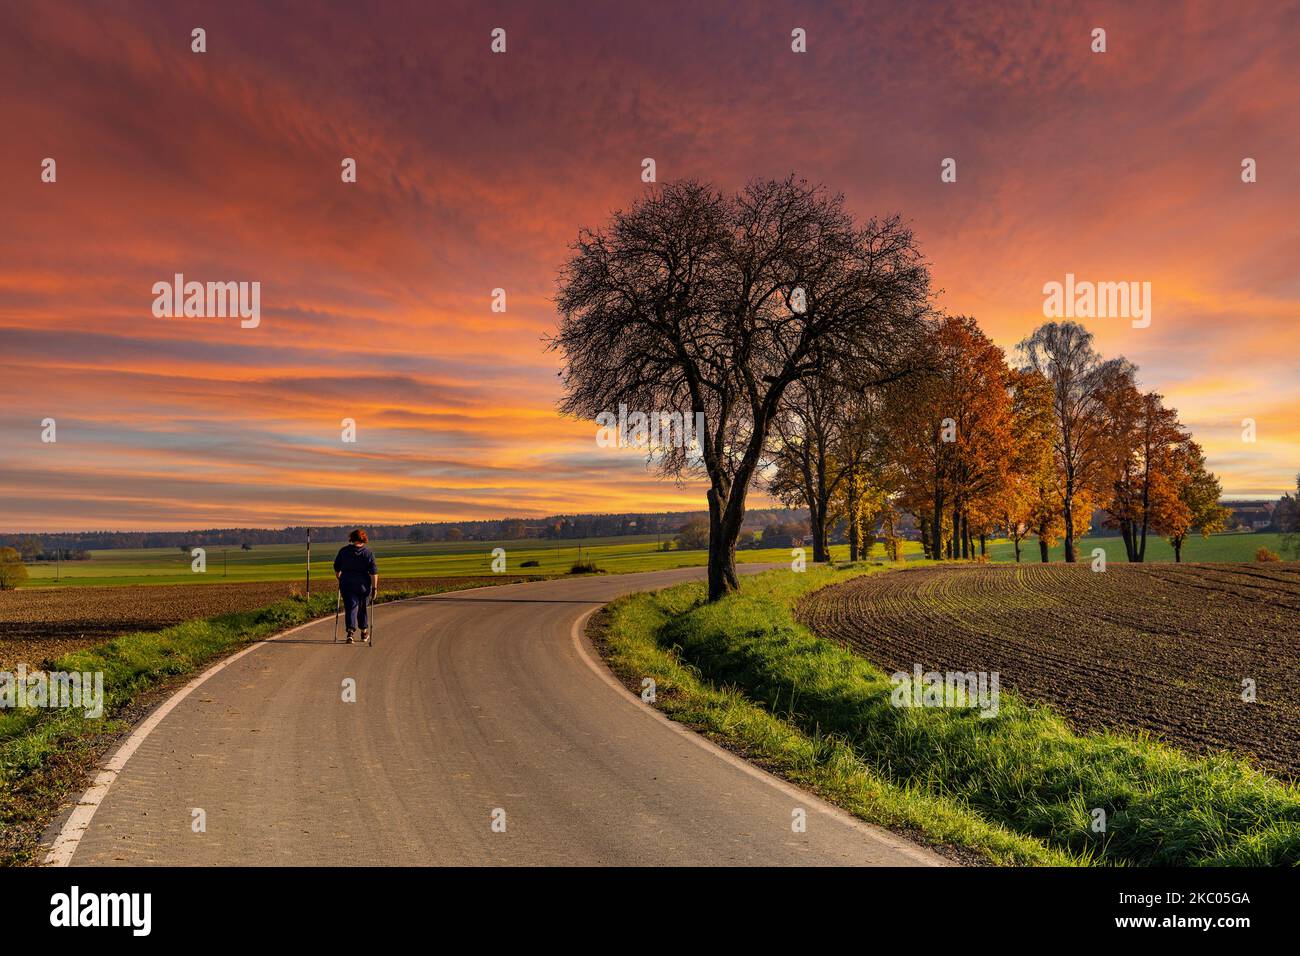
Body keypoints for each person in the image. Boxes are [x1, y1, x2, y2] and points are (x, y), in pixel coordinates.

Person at [333, 528, 378, 644]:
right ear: (364, 539)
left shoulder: (343, 551)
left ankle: (350, 633)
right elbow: (373, 573)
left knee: (350, 607)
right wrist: (374, 588)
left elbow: (337, 567)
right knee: (362, 607)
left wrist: (339, 577)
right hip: (363, 584)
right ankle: (364, 632)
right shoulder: (368, 553)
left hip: (347, 583)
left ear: (351, 539)